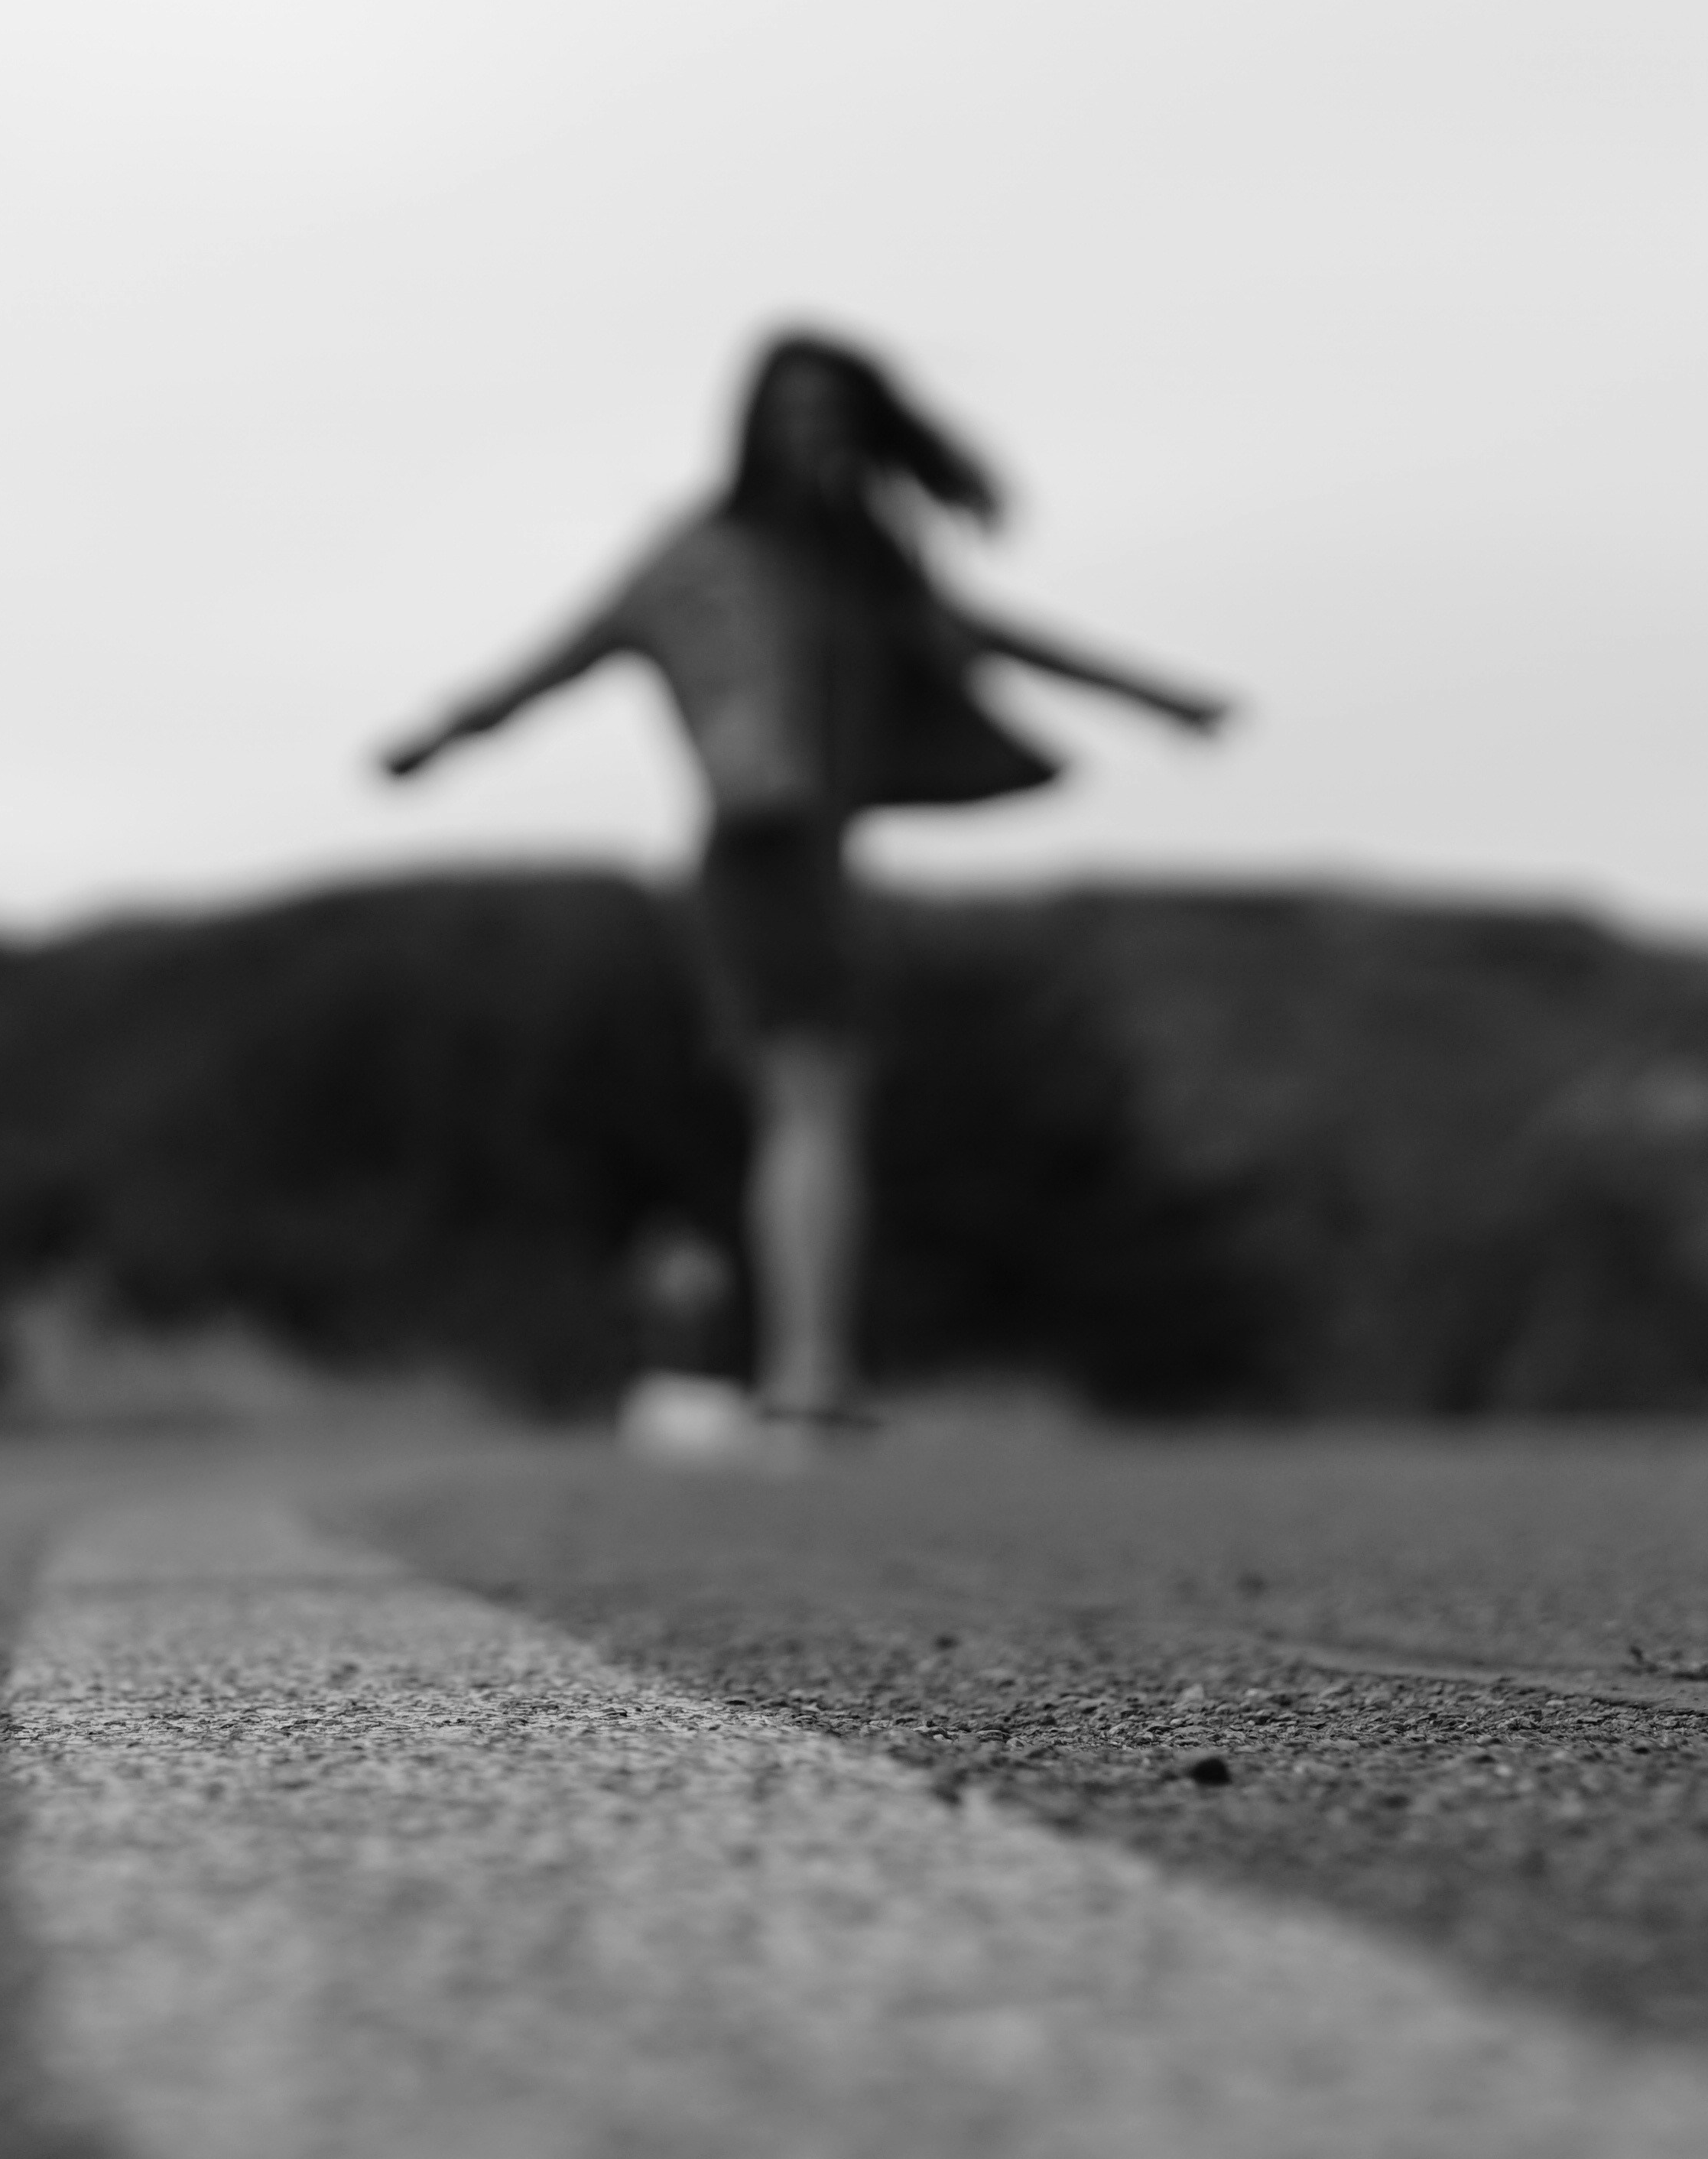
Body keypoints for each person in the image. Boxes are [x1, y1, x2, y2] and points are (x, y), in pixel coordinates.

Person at [376, 326, 1236, 1441]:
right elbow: (568, 648)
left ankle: (808, 1367)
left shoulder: (867, 569)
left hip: (825, 869)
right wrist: (446, 730)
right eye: (791, 412)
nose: (810, 433)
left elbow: (998, 636)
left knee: (822, 1100)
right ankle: (810, 1371)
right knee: (814, 1096)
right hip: (756, 854)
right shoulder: (701, 551)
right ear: (752, 424)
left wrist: (1159, 698)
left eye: (832, 412)